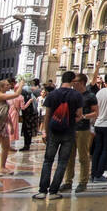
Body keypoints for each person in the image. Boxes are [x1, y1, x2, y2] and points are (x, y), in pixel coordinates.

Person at [33, 72, 84, 200]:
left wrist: (45, 131)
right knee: (62, 162)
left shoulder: (53, 94)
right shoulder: (77, 95)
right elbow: (79, 115)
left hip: (53, 131)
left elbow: (47, 115)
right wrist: (70, 120)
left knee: (48, 161)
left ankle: (42, 191)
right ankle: (54, 191)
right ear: (72, 81)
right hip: (69, 132)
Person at [60, 74, 98, 193]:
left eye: (75, 81)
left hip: (83, 129)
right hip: (70, 129)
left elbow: (96, 112)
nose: (72, 83)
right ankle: (68, 181)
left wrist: (84, 117)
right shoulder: (70, 95)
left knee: (83, 157)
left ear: (81, 82)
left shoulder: (90, 96)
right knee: (69, 156)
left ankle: (83, 182)